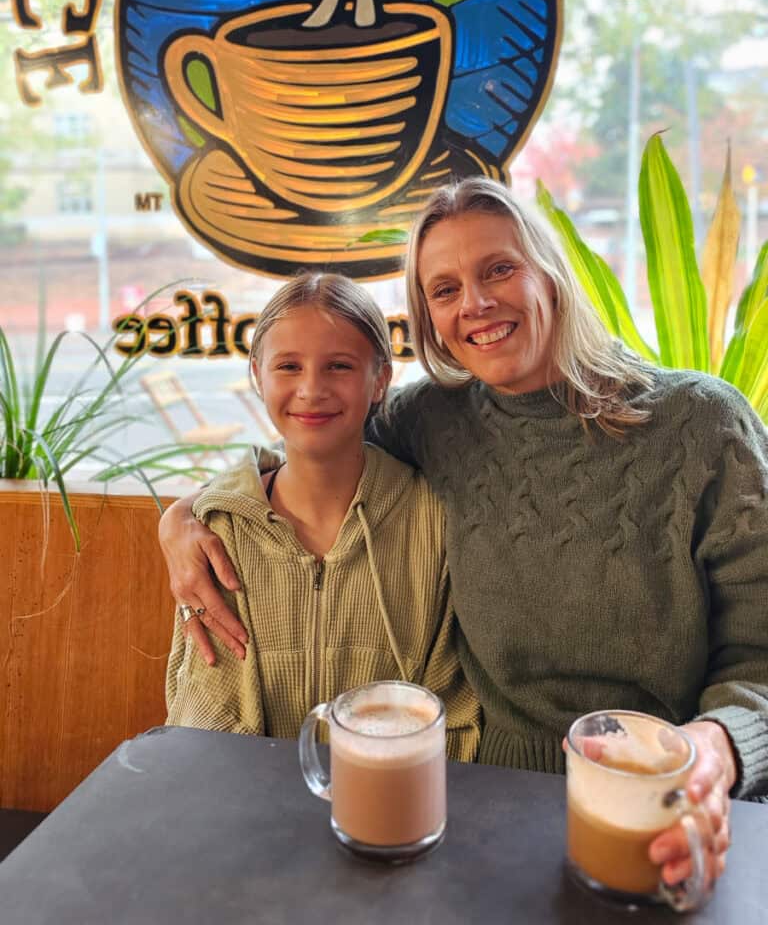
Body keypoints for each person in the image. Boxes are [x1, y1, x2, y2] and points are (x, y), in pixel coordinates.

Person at [160, 178, 768, 890]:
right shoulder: (435, 420)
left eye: (499, 270)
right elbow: (309, 439)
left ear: (550, 272)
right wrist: (182, 517)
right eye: (443, 289)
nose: (474, 304)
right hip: (484, 803)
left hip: (664, 798)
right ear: (429, 319)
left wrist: (715, 747)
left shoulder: (700, 424)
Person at [164, 271, 480, 761]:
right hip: (248, 811)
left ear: (380, 379)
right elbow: (204, 708)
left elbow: (451, 711)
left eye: (339, 366)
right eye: (288, 366)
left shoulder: (431, 521)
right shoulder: (217, 532)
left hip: (387, 806)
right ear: (257, 375)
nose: (311, 389)